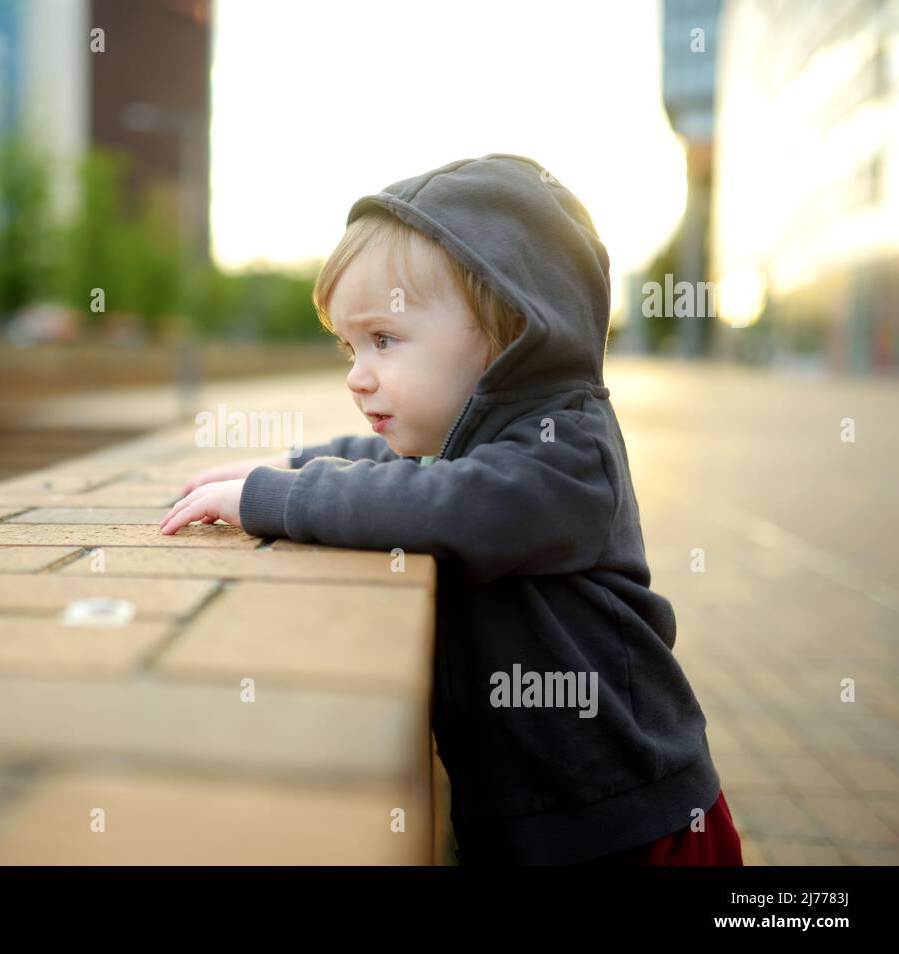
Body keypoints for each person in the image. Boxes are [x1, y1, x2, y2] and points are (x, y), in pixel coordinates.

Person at [160, 155, 742, 865]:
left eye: (384, 339)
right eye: (349, 346)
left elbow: (445, 502)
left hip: (634, 822)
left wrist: (273, 499)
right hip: (537, 819)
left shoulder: (567, 448)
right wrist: (288, 464)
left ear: (511, 327)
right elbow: (406, 466)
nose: (356, 374)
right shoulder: (484, 438)